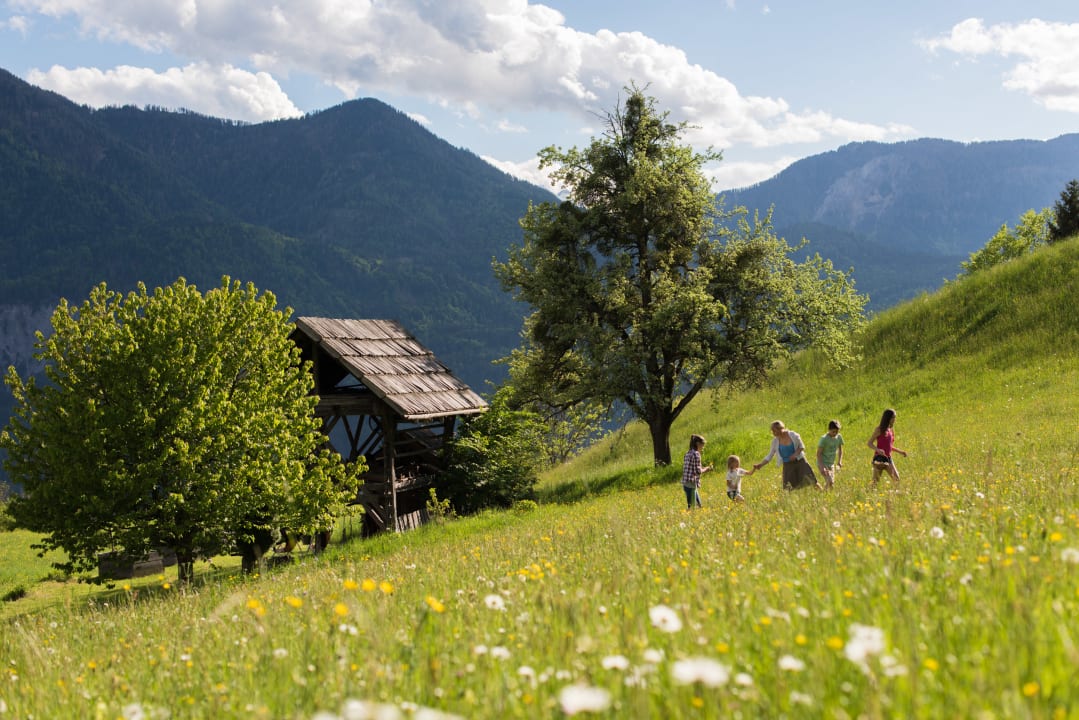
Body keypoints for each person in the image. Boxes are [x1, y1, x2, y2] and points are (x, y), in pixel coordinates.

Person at [752, 420, 821, 490]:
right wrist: (760, 465)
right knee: (788, 488)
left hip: (800, 462)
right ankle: (790, 500)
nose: (773, 433)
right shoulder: (775, 441)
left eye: (774, 431)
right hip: (788, 465)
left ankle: (823, 492)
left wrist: (795, 455)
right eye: (772, 431)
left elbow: (802, 446)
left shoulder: (793, 435)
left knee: (812, 481)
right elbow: (769, 455)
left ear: (780, 429)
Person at [867, 408, 907, 483]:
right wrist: (878, 450)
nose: (895, 419)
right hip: (879, 459)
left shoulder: (891, 430)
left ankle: (896, 494)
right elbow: (869, 443)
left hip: (888, 458)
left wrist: (900, 452)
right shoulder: (879, 429)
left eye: (895, 417)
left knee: (897, 479)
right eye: (893, 417)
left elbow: (889, 446)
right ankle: (867, 493)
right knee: (875, 482)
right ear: (888, 418)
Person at [681, 434, 714, 509]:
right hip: (691, 484)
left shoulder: (688, 453)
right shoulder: (696, 454)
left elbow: (693, 468)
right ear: (698, 444)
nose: (703, 448)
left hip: (686, 483)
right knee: (692, 507)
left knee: (698, 506)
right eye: (702, 445)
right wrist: (707, 468)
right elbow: (698, 471)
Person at [816, 419, 844, 489]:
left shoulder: (839, 437)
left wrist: (839, 461)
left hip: (831, 464)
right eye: (833, 431)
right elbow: (818, 454)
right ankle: (823, 494)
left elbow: (840, 449)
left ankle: (823, 494)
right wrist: (822, 466)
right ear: (829, 430)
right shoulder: (824, 439)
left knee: (831, 484)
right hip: (823, 463)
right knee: (830, 481)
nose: (835, 433)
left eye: (837, 431)